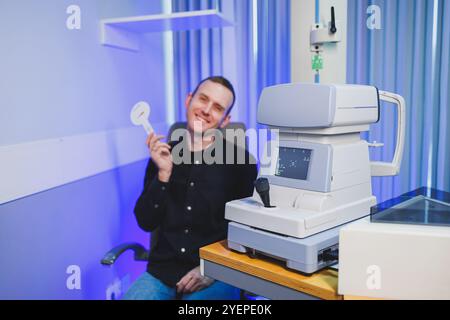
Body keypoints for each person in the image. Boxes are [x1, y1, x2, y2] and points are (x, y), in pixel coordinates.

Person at [124, 76, 258, 300]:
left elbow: (246, 233)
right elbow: (145, 222)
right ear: (188, 100)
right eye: (203, 99)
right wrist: (164, 174)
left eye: (217, 108)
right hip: (162, 273)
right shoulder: (163, 156)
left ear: (225, 120)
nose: (206, 110)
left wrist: (211, 269)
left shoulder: (241, 164)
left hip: (216, 274)